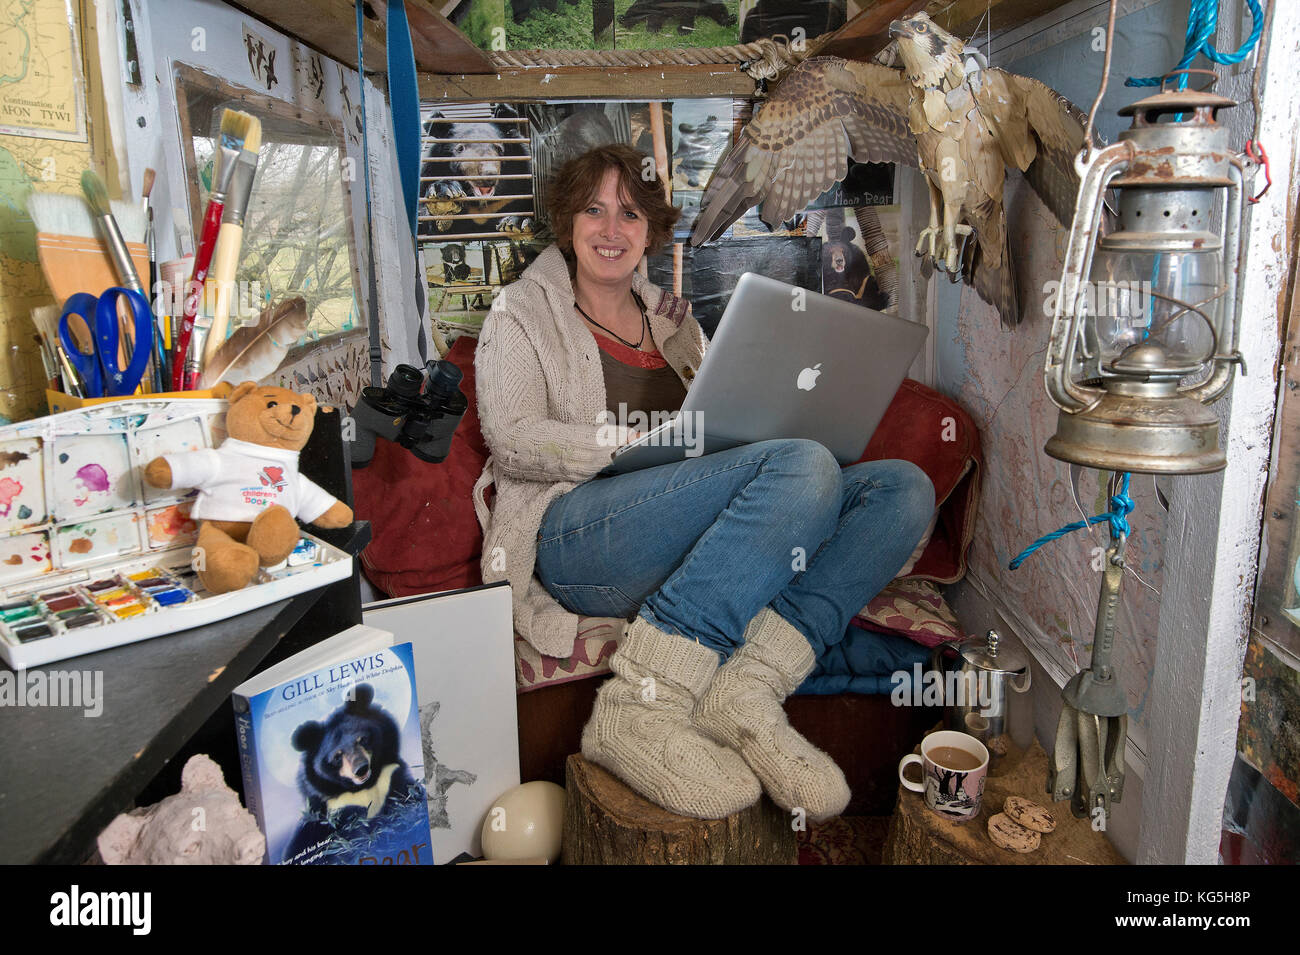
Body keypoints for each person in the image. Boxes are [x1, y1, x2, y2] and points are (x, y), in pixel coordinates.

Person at [473, 143, 935, 822]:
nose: (610, 229)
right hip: (576, 534)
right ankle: (637, 708)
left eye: (629, 213)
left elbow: (717, 425)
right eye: (592, 210)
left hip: (675, 526)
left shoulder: (676, 320)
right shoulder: (522, 311)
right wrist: (624, 443)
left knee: (902, 489)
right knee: (801, 465)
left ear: (651, 230)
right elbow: (510, 435)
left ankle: (745, 690)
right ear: (567, 222)